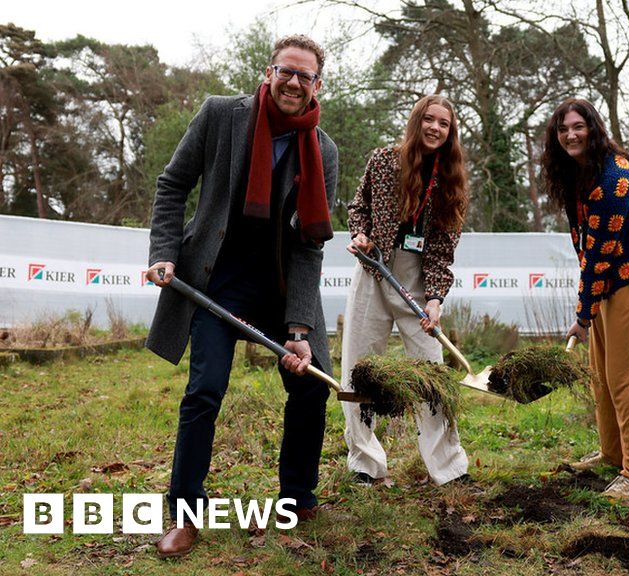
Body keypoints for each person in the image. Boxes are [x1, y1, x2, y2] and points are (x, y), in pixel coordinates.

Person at [144, 35, 338, 558]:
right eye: (286, 71)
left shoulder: (322, 150)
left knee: (312, 385)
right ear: (270, 71)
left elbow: (310, 245)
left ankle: (297, 498)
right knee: (205, 390)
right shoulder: (221, 115)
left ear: (318, 84)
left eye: (306, 75)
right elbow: (172, 183)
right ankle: (185, 514)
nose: (294, 82)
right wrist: (164, 251)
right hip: (216, 282)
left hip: (280, 287)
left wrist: (298, 329)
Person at [541, 98, 629, 501]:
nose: (570, 135)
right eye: (563, 130)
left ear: (593, 128)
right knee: (602, 369)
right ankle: (615, 453)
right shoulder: (580, 175)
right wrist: (590, 310)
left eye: (578, 127)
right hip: (612, 272)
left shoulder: (611, 180)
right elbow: (590, 250)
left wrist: (583, 316)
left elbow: (598, 257)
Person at [341, 95, 471, 487]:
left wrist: (434, 299)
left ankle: (448, 467)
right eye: (428, 120)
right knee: (359, 369)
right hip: (374, 270)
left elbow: (442, 248)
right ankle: (365, 462)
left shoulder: (450, 178)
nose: (435, 128)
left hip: (415, 278)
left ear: (450, 133)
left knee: (431, 371)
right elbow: (357, 207)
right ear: (417, 122)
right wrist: (361, 236)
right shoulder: (383, 161)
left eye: (443, 124)